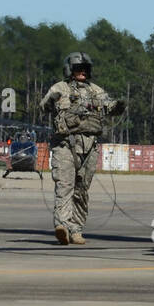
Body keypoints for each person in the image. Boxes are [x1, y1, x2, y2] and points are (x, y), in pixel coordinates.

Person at [39, 52, 124, 245]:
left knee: (81, 190)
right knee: (65, 185)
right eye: (78, 68)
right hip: (65, 145)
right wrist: (51, 99)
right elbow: (44, 106)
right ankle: (62, 225)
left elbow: (108, 106)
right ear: (70, 69)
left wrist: (117, 107)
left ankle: (76, 229)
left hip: (89, 146)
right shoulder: (59, 88)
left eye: (85, 69)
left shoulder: (96, 91)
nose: (83, 72)